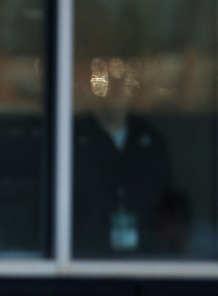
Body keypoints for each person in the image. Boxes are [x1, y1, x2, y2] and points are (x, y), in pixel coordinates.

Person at [72, 55, 177, 258]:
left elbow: (166, 204)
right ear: (93, 84)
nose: (117, 85)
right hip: (85, 257)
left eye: (124, 76)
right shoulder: (70, 140)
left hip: (146, 256)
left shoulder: (151, 141)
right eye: (108, 76)